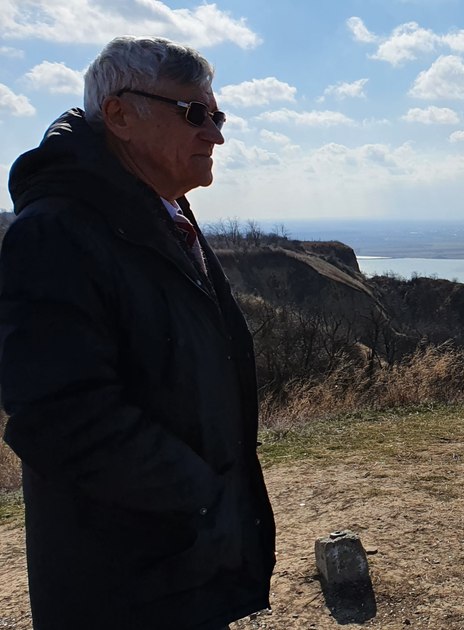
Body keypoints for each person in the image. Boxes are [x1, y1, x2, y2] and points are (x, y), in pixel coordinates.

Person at [0, 36, 274, 629]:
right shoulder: (57, 234)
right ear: (120, 115)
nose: (216, 134)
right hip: (122, 582)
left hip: (184, 562)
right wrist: (201, 495)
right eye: (194, 113)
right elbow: (59, 416)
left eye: (217, 115)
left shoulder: (161, 211)